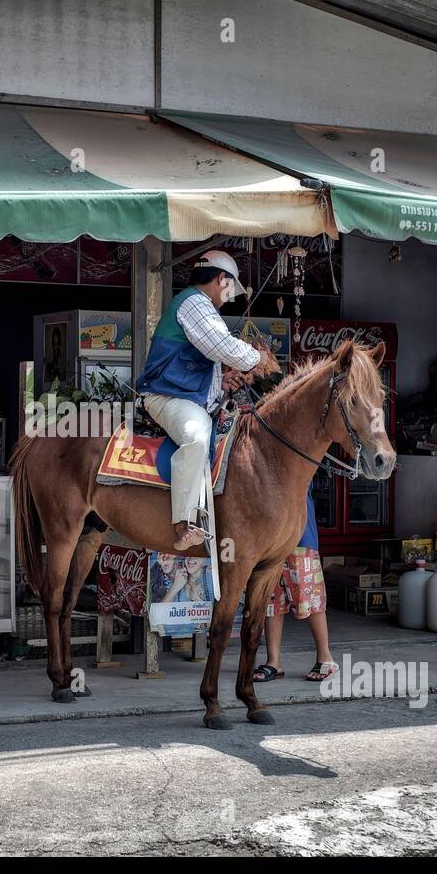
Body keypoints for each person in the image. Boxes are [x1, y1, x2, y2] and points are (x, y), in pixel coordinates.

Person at [136, 250, 273, 551]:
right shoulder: (195, 303)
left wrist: (221, 384)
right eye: (229, 288)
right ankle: (185, 523)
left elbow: (207, 364)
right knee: (197, 436)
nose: (228, 296)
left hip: (185, 397)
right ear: (221, 279)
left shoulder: (200, 307)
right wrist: (257, 357)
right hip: (165, 397)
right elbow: (221, 347)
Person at [254, 485, 336, 683]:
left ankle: (326, 658)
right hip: (270, 539)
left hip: (299, 535)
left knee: (310, 597)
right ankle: (274, 662)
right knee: (271, 601)